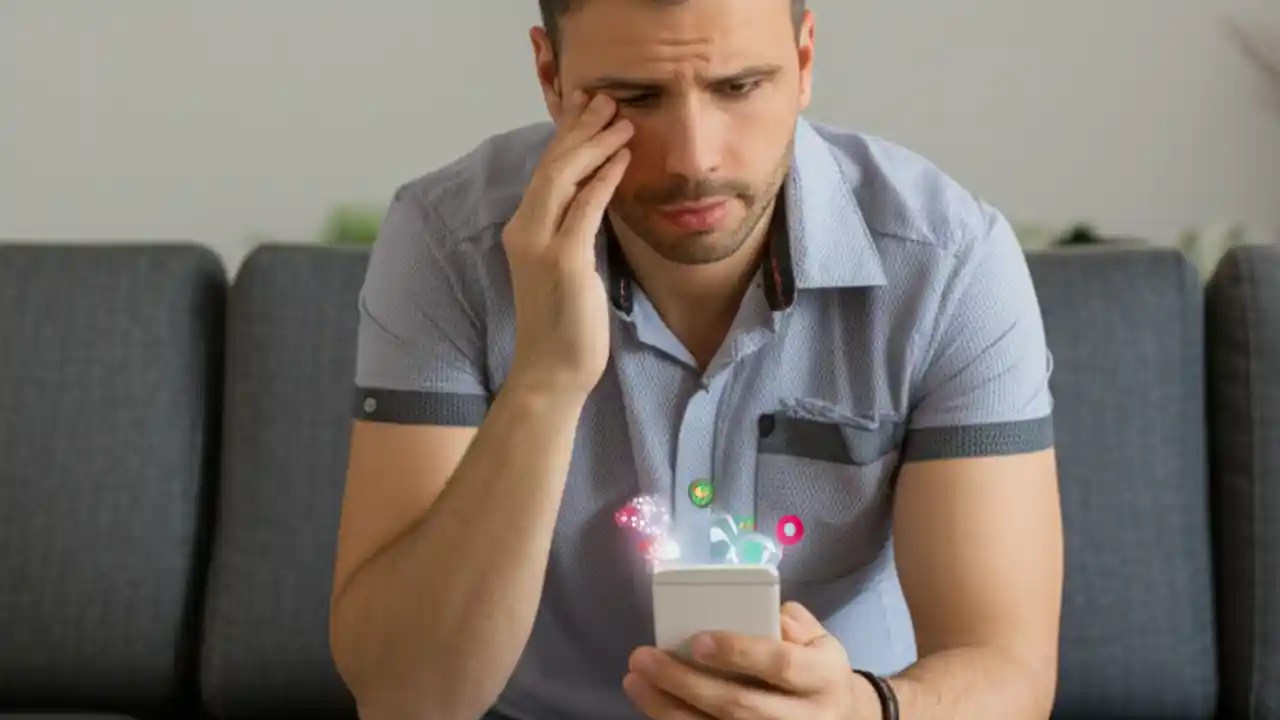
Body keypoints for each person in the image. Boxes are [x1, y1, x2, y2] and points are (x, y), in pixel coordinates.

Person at [328, 0, 1064, 717]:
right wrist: (545, 384)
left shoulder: (948, 264)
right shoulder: (447, 245)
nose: (694, 159)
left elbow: (1007, 670)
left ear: (804, 60)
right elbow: (405, 696)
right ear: (550, 77)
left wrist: (862, 709)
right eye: (634, 97)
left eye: (739, 87)